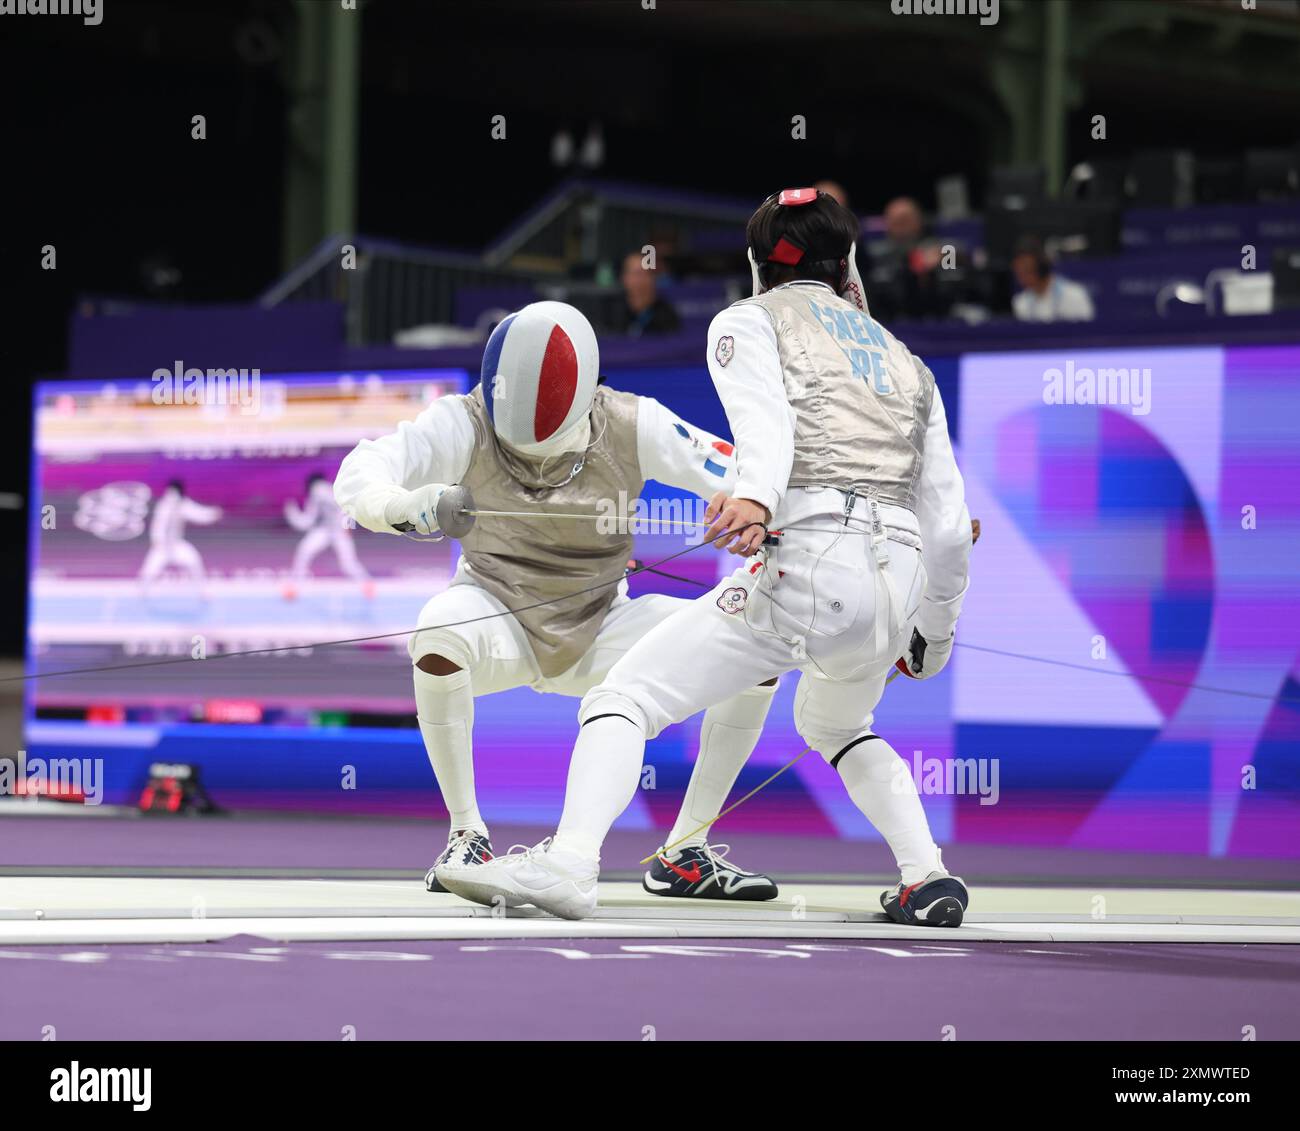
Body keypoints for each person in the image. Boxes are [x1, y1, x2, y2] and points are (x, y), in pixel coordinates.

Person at [438, 190, 974, 927]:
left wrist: (753, 496)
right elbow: (947, 524)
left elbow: (767, 426)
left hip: (813, 567)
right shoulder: (909, 363)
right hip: (899, 587)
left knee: (622, 697)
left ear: (759, 266)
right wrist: (933, 636)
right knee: (839, 722)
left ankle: (569, 862)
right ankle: (928, 876)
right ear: (846, 261)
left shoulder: (746, 320)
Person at [334, 301, 779, 901]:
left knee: (755, 644)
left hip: (604, 627)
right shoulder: (463, 420)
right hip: (495, 614)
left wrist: (760, 505)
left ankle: (685, 851)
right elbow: (363, 471)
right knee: (437, 635)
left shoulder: (632, 422)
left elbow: (745, 472)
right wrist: (408, 507)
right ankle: (466, 832)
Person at [284, 473, 370, 583]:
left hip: (338, 531)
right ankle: (298, 582)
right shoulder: (327, 490)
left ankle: (367, 584)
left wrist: (291, 511)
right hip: (327, 529)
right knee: (305, 551)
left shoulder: (317, 489)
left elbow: (307, 521)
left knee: (347, 563)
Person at [138, 480, 222, 584]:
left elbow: (198, 513)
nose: (171, 495)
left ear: (179, 493)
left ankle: (203, 593)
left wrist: (213, 513)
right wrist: (157, 541)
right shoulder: (164, 506)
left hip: (177, 545)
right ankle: (141, 594)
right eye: (169, 492)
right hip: (162, 547)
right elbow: (158, 526)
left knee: (194, 562)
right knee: (148, 572)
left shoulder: (184, 505)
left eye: (173, 492)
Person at [1010, 237, 1095, 322]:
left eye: (1027, 270)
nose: (1022, 277)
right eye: (1019, 272)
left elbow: (1089, 331)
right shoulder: (1020, 303)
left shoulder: (1074, 295)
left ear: (1041, 266)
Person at [619, 250, 681, 337]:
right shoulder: (612, 315)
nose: (642, 280)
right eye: (637, 274)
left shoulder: (667, 316)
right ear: (624, 278)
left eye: (647, 273)